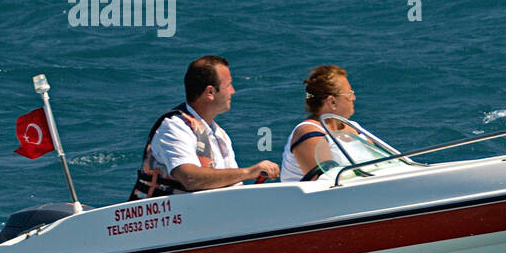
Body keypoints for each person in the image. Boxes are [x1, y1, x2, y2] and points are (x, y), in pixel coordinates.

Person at [129, 55, 278, 200]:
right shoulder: (174, 127)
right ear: (210, 92)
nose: (233, 91)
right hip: (167, 220)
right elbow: (190, 178)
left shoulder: (220, 135)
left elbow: (233, 187)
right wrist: (249, 172)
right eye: (228, 85)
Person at [280, 65, 405, 181]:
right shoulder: (309, 133)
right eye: (350, 93)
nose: (354, 98)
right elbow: (324, 182)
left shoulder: (354, 128)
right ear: (332, 102)